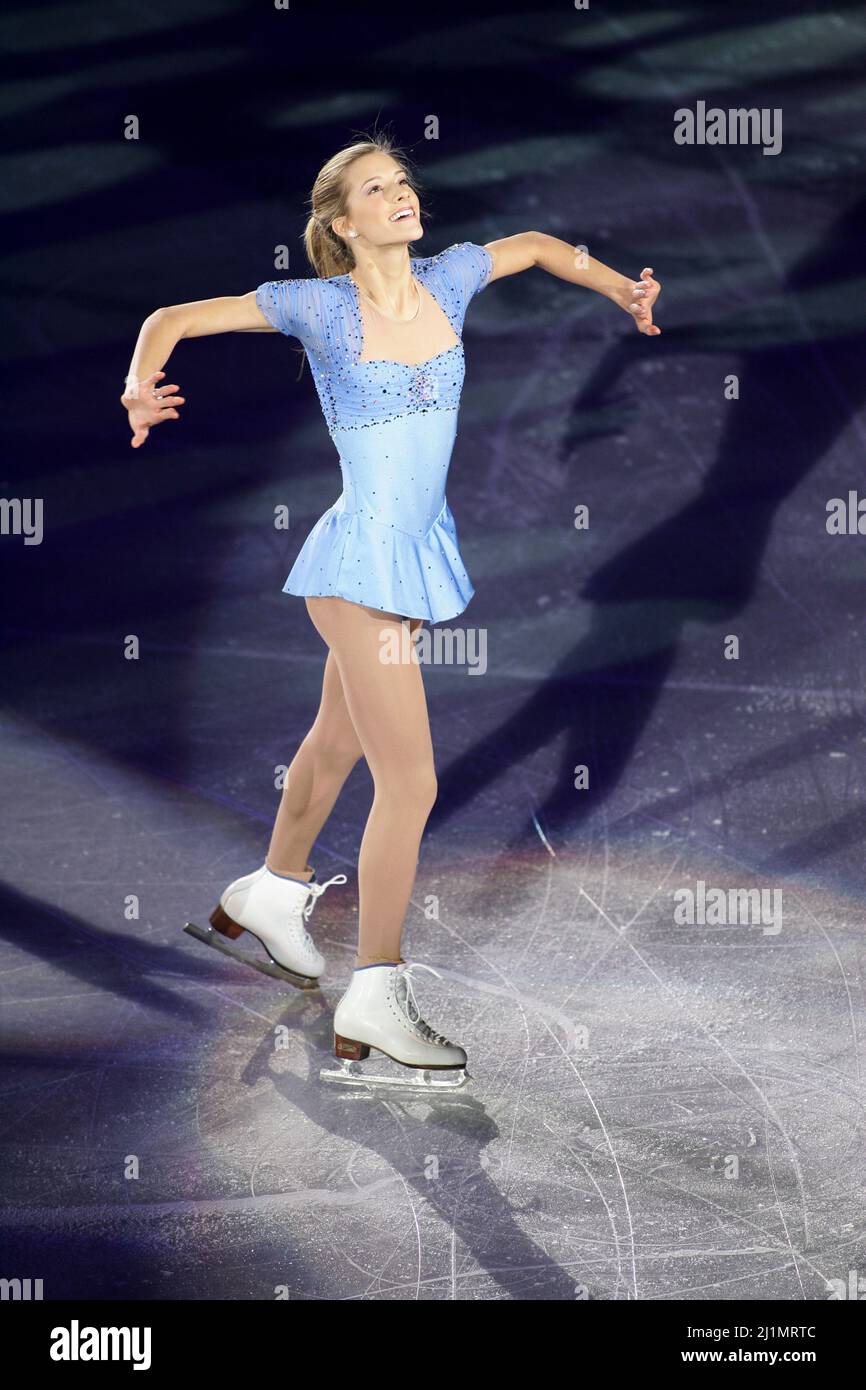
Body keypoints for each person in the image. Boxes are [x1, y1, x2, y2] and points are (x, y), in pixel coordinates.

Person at [120, 133, 661, 1080]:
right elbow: (170, 316)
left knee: (338, 744)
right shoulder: (318, 307)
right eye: (378, 189)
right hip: (358, 565)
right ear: (341, 222)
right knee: (410, 783)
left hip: (407, 557)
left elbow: (534, 244)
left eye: (404, 182)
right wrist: (138, 386)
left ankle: (270, 893)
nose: (402, 196)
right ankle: (376, 991)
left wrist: (620, 287)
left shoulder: (449, 281)